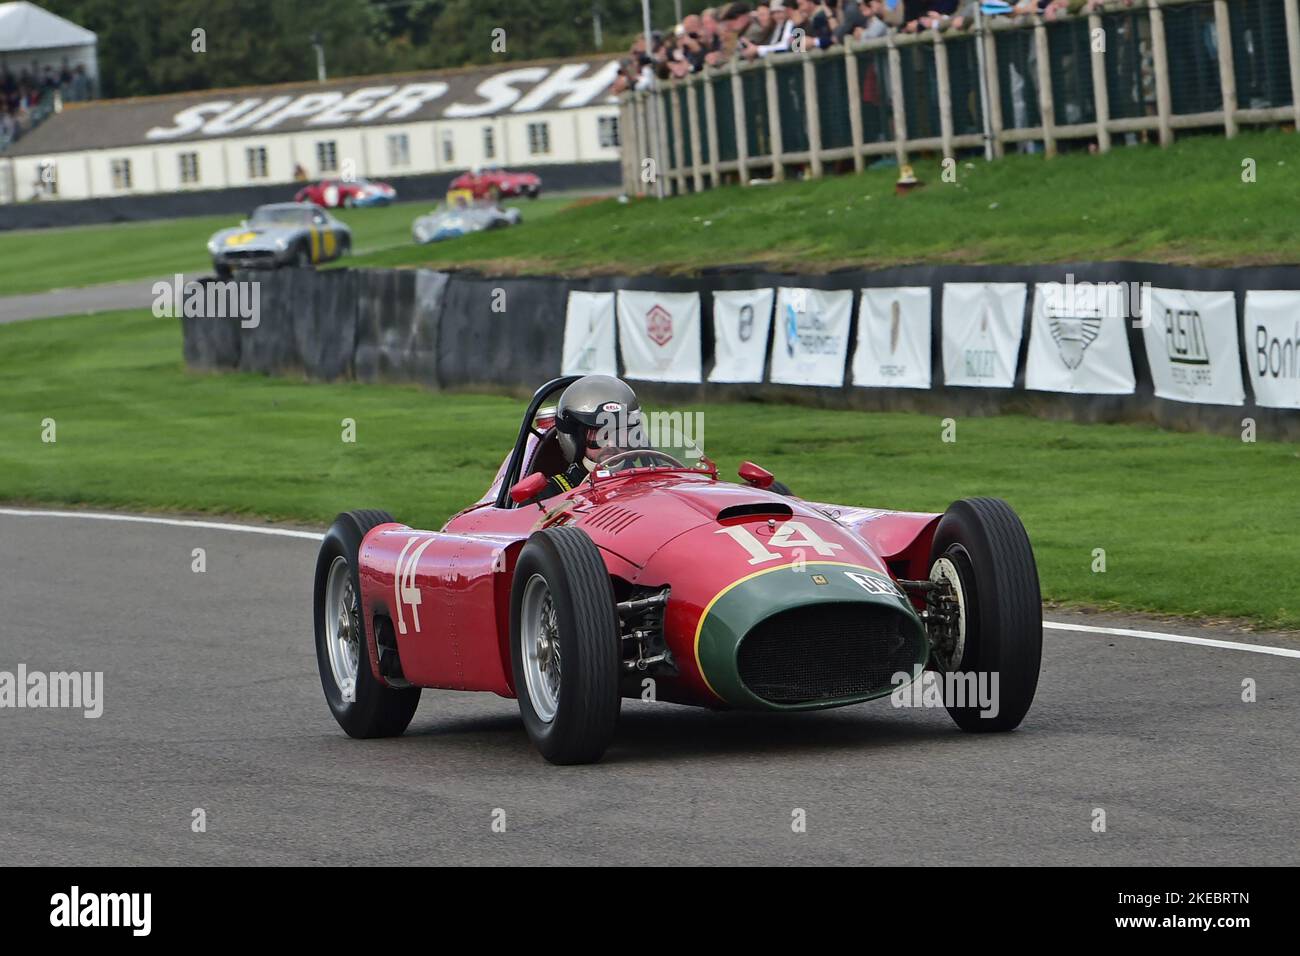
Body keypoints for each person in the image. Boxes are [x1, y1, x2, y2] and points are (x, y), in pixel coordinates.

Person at [540, 375, 649, 498]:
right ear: (575, 438)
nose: (611, 444)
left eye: (620, 432)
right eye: (599, 433)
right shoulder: (550, 495)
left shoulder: (651, 484)